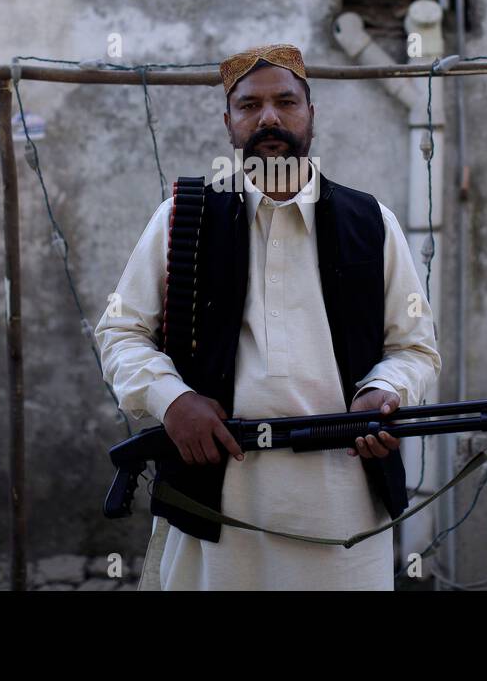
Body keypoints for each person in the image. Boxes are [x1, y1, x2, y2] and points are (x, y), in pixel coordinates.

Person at [95, 42, 441, 590]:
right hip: (214, 498)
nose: (269, 118)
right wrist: (173, 401)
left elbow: (414, 347)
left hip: (342, 502)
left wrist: (386, 391)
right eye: (250, 105)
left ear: (311, 113)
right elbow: (120, 332)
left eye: (286, 101)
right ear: (228, 122)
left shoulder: (370, 222)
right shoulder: (184, 218)